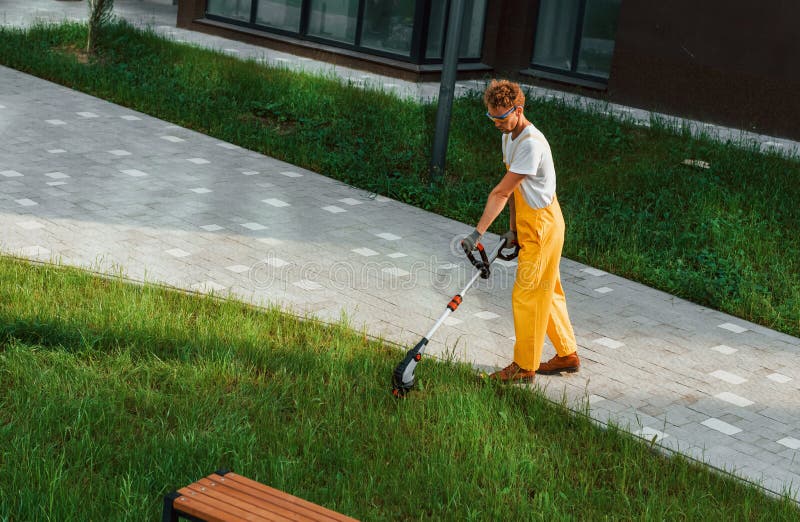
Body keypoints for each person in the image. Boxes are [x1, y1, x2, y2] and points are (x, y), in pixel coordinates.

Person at [461, 79, 580, 383]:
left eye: (502, 117)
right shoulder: (509, 136)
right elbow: (515, 189)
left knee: (528, 293)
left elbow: (500, 193)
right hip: (531, 222)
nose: (497, 124)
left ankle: (525, 367)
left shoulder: (530, 144)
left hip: (543, 224)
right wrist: (512, 229)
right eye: (492, 118)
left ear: (518, 109)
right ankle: (567, 354)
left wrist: (478, 234)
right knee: (547, 290)